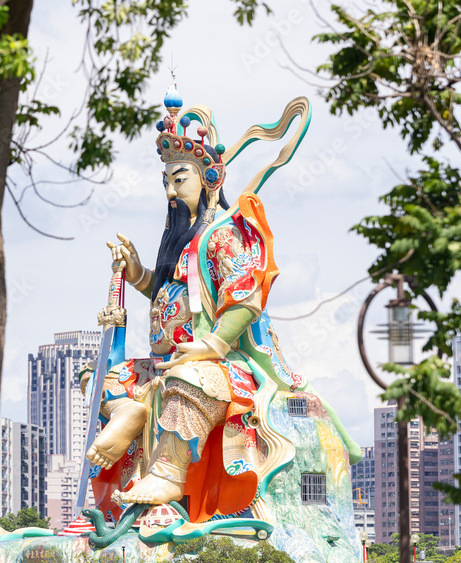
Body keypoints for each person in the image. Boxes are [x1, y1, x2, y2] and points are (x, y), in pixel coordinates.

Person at [82, 83, 284, 522]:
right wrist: (137, 273)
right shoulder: (178, 242)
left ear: (208, 178)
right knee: (100, 377)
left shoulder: (223, 235)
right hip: (164, 362)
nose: (171, 192)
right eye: (166, 182)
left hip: (216, 363)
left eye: (180, 179)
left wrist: (212, 345)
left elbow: (245, 297)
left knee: (190, 379)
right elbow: (167, 293)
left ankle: (169, 474)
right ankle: (129, 412)